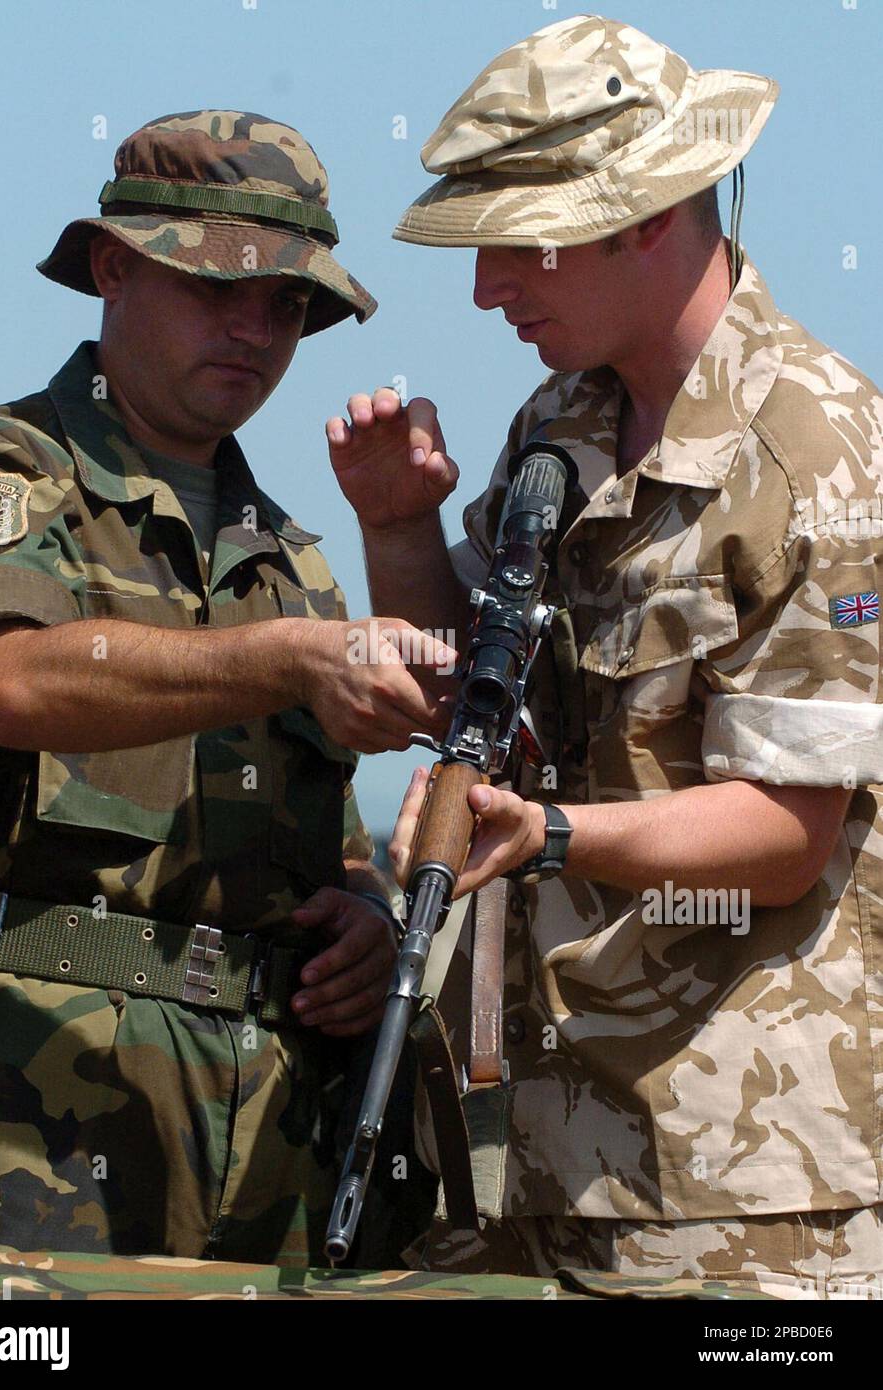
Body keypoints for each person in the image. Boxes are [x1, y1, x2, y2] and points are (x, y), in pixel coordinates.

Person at [327, 17, 883, 1297]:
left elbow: (789, 830)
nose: (486, 291)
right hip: (534, 1147)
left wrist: (551, 835)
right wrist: (397, 526)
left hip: (737, 1191)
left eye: (523, 245)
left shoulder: (815, 458)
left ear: (645, 217)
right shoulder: (562, 422)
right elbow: (471, 694)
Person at [0, 110, 451, 1264]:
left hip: (275, 1120)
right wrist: (290, 658)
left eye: (287, 306)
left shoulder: (292, 557)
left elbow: (323, 829)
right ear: (114, 267)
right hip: (38, 1094)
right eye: (221, 288)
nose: (255, 329)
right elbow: (5, 680)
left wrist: (360, 913)